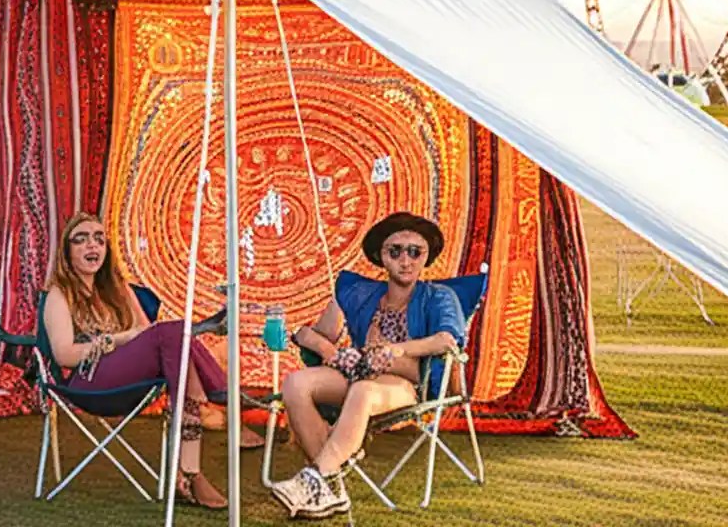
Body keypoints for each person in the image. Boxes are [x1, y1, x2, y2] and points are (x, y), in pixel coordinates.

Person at [43, 212, 264, 510]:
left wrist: (137, 339)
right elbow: (63, 354)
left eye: (98, 239)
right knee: (173, 334)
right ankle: (222, 396)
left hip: (128, 376)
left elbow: (149, 336)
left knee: (178, 355)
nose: (91, 246)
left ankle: (190, 472)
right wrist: (115, 340)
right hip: (90, 381)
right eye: (80, 240)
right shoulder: (60, 294)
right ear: (67, 252)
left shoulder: (117, 288)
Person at [270, 212, 466, 519]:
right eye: (395, 251)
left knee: (362, 391)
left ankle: (314, 479)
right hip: (357, 374)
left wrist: (396, 350)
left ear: (426, 257)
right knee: (297, 383)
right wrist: (331, 351)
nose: (406, 260)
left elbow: (446, 340)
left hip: (404, 384)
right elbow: (309, 333)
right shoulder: (360, 294)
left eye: (416, 252)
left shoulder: (440, 296)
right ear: (381, 257)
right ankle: (328, 486)